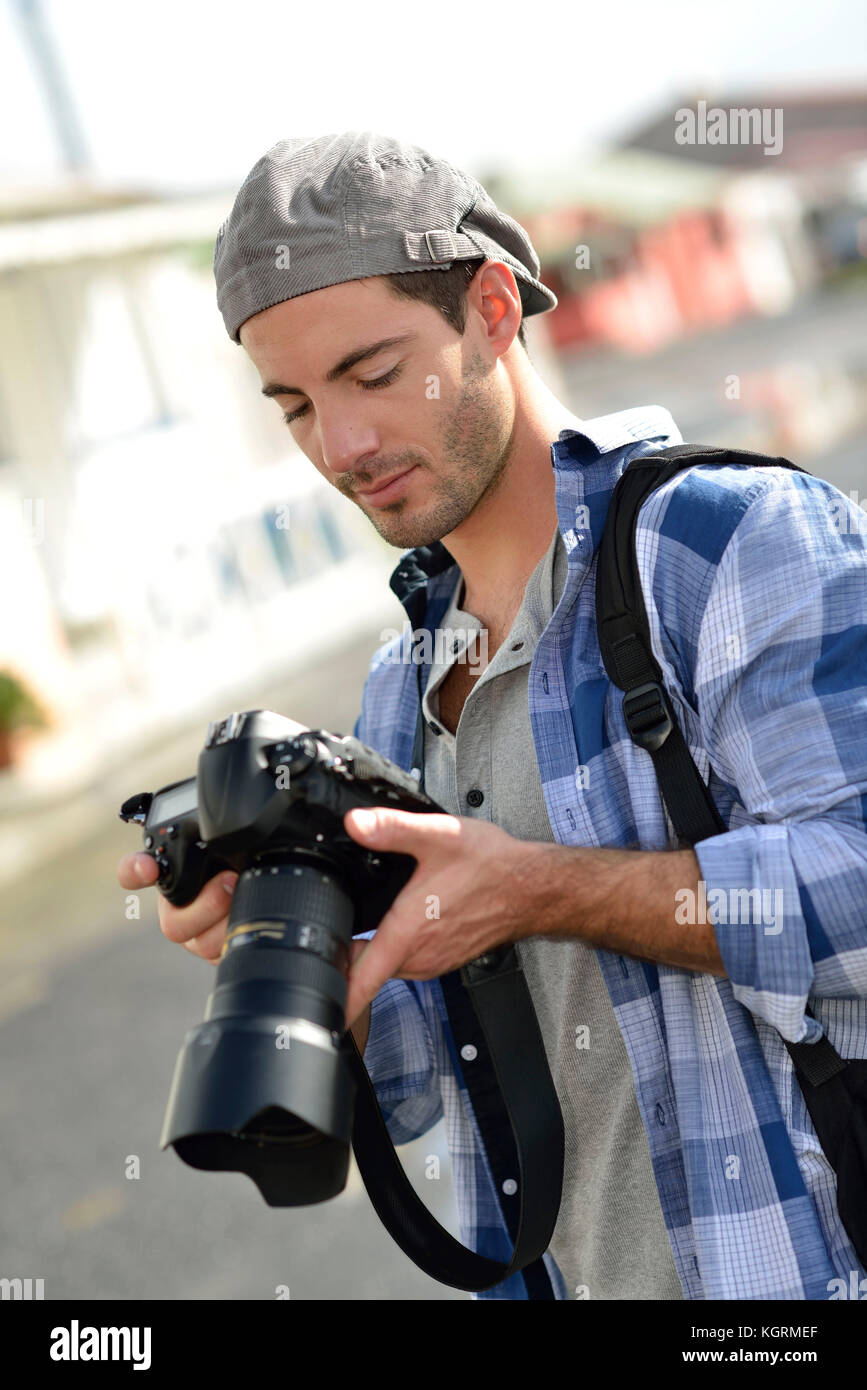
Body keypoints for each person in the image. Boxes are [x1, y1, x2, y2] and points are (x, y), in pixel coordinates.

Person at [116, 131, 867, 1301]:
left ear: (494, 309)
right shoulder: (398, 686)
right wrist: (290, 955)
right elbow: (427, 1083)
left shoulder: (723, 545)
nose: (342, 447)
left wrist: (541, 886)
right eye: (295, 404)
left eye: (372, 373)